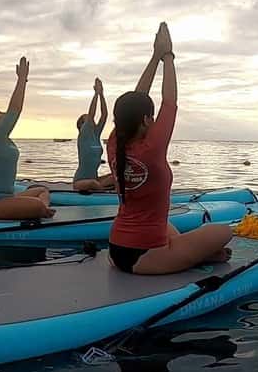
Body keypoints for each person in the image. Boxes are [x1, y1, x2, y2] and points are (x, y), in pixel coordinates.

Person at [107, 22, 234, 274]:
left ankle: (194, 254)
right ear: (145, 120)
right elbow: (170, 101)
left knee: (169, 227)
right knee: (224, 231)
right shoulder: (152, 147)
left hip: (116, 248)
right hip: (147, 258)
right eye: (151, 117)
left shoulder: (114, 142)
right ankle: (198, 255)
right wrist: (168, 57)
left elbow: (136, 98)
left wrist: (155, 57)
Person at [0, 56, 55, 220]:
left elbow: (12, 112)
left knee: (42, 191)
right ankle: (39, 210)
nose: (3, 114)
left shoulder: (5, 140)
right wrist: (22, 80)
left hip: (8, 198)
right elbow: (15, 110)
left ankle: (39, 210)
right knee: (37, 204)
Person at [72, 77, 115, 192]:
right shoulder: (83, 136)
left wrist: (102, 94)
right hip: (80, 182)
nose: (91, 120)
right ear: (82, 125)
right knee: (93, 183)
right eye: (86, 120)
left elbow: (104, 115)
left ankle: (106, 188)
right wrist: (95, 94)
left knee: (116, 176)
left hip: (95, 179)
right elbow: (92, 113)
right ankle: (104, 191)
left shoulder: (96, 134)